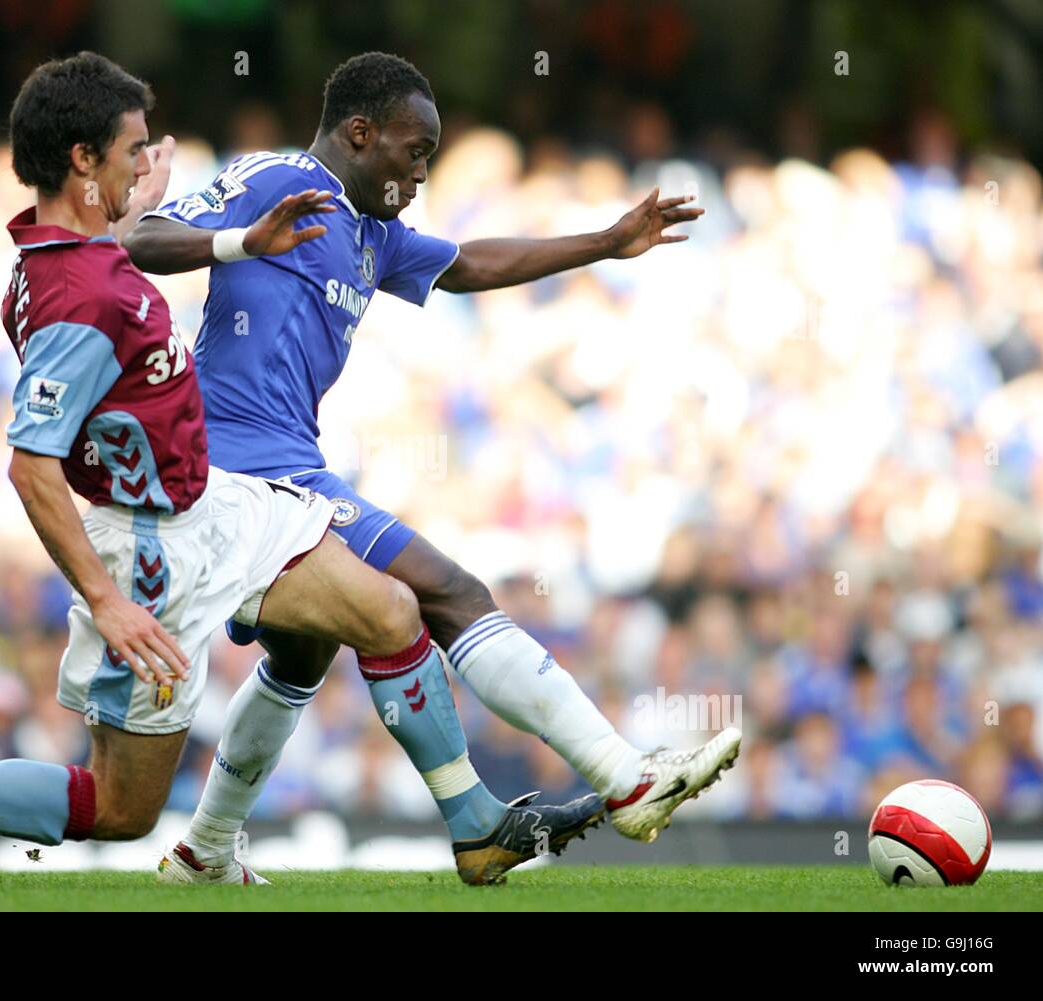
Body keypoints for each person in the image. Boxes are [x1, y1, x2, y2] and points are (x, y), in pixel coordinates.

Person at [0, 52, 604, 889]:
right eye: (135, 150)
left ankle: (475, 825)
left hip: (219, 503)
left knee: (391, 611)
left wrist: (157, 204)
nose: (152, 165)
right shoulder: (79, 294)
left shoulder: (80, 258)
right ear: (83, 162)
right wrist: (105, 597)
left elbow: (125, 244)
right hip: (151, 548)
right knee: (120, 807)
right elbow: (30, 468)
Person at [125, 51, 740, 878]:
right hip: (239, 463)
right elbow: (143, 238)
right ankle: (622, 778)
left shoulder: (373, 233)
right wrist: (238, 242)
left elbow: (466, 265)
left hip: (283, 464)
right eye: (414, 152)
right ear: (359, 131)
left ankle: (203, 849)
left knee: (300, 656)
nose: (419, 174)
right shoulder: (279, 179)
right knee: (449, 592)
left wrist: (603, 242)